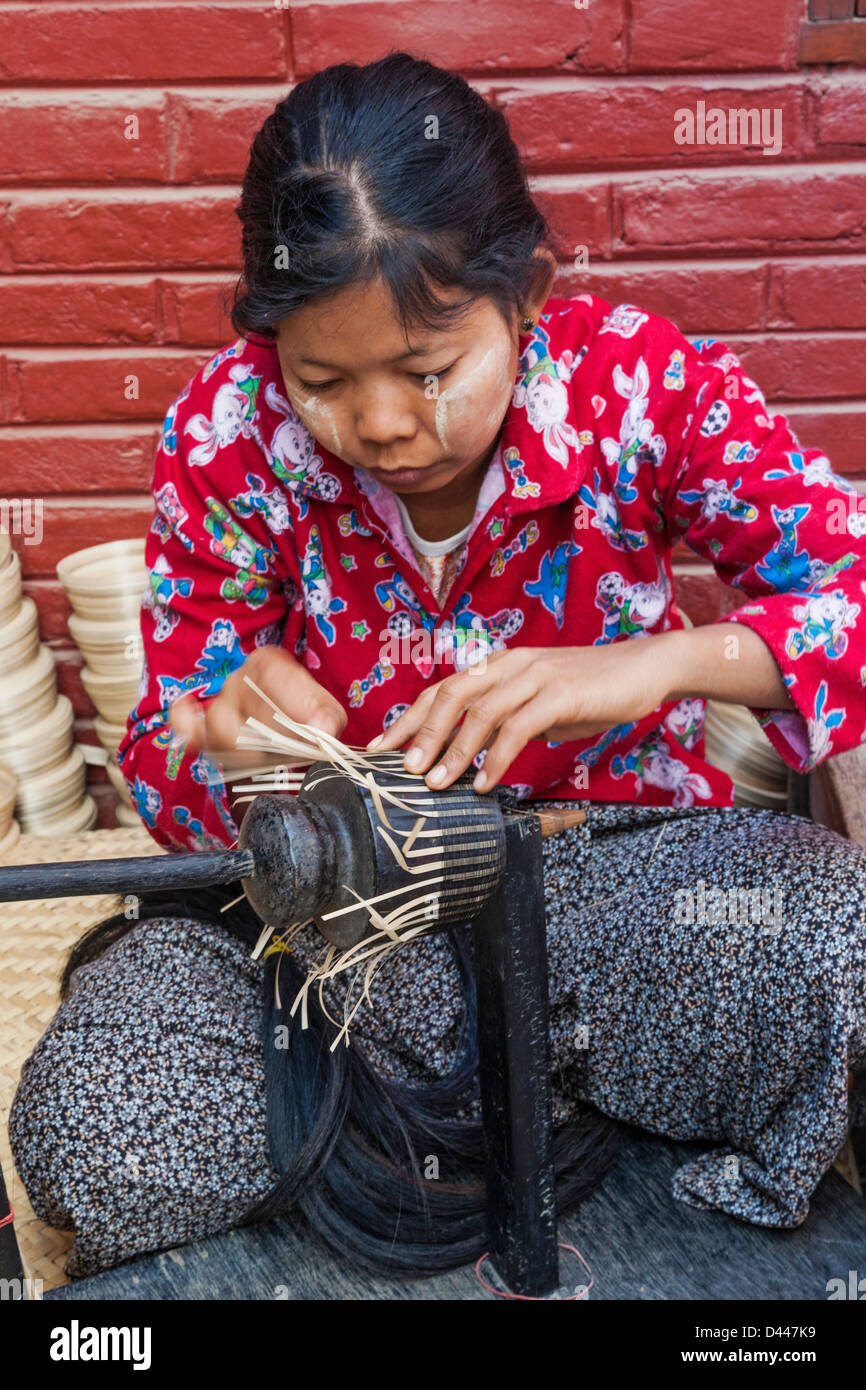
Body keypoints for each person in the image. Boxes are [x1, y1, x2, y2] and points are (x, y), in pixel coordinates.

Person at [10, 52, 866, 1283]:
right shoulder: (224, 432)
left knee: (823, 935)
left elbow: (845, 597)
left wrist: (641, 668)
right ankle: (527, 1092)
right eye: (323, 381)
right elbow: (166, 745)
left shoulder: (637, 386)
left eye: (426, 371)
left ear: (525, 296)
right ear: (269, 350)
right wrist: (225, 735)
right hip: (320, 935)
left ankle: (430, 1111)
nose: (382, 426)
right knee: (94, 1132)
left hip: (594, 883)